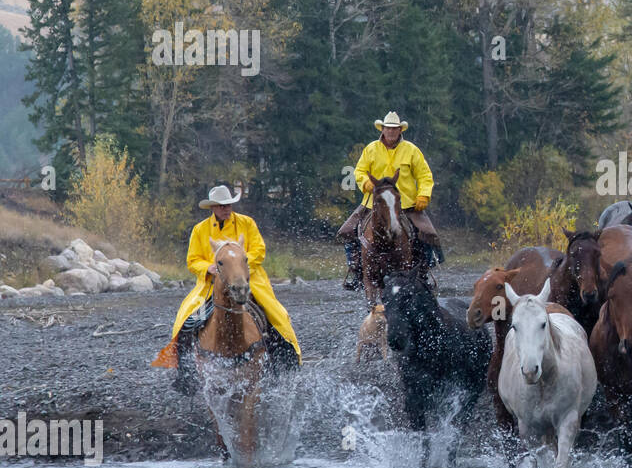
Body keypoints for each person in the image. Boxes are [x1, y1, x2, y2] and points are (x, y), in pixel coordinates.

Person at [152, 185, 302, 390]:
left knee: (277, 316)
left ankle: (282, 364)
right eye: (222, 206)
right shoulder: (200, 230)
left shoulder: (247, 223)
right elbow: (192, 260)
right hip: (211, 284)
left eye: (229, 204)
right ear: (213, 207)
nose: (226, 208)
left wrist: (238, 266)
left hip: (248, 280)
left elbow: (259, 250)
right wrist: (209, 268)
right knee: (185, 321)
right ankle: (186, 373)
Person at [337, 111, 443, 290]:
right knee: (346, 231)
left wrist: (424, 194)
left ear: (400, 130)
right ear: (383, 129)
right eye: (388, 128)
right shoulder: (371, 149)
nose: (391, 132)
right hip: (374, 203)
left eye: (395, 129)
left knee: (429, 233)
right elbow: (359, 171)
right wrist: (366, 183)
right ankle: (355, 270)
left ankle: (425, 271)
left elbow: (424, 175)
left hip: (407, 204)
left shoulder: (411, 150)